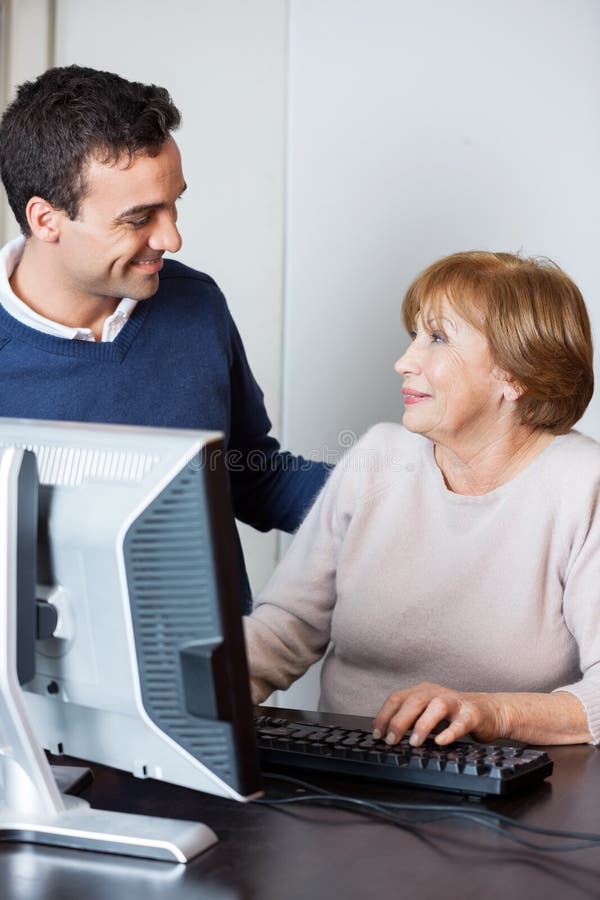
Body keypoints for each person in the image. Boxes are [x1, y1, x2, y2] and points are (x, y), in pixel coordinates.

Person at [0, 65, 330, 610]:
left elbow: (248, 473)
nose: (172, 237)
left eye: (174, 203)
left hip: (203, 680)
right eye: (139, 218)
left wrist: (407, 498)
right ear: (46, 219)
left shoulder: (196, 303)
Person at [244, 250, 600, 748]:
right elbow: (286, 629)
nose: (404, 362)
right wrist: (175, 684)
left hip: (516, 794)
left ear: (515, 376)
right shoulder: (377, 456)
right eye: (414, 336)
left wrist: (492, 712)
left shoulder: (583, 484)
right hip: (348, 774)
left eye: (437, 338)